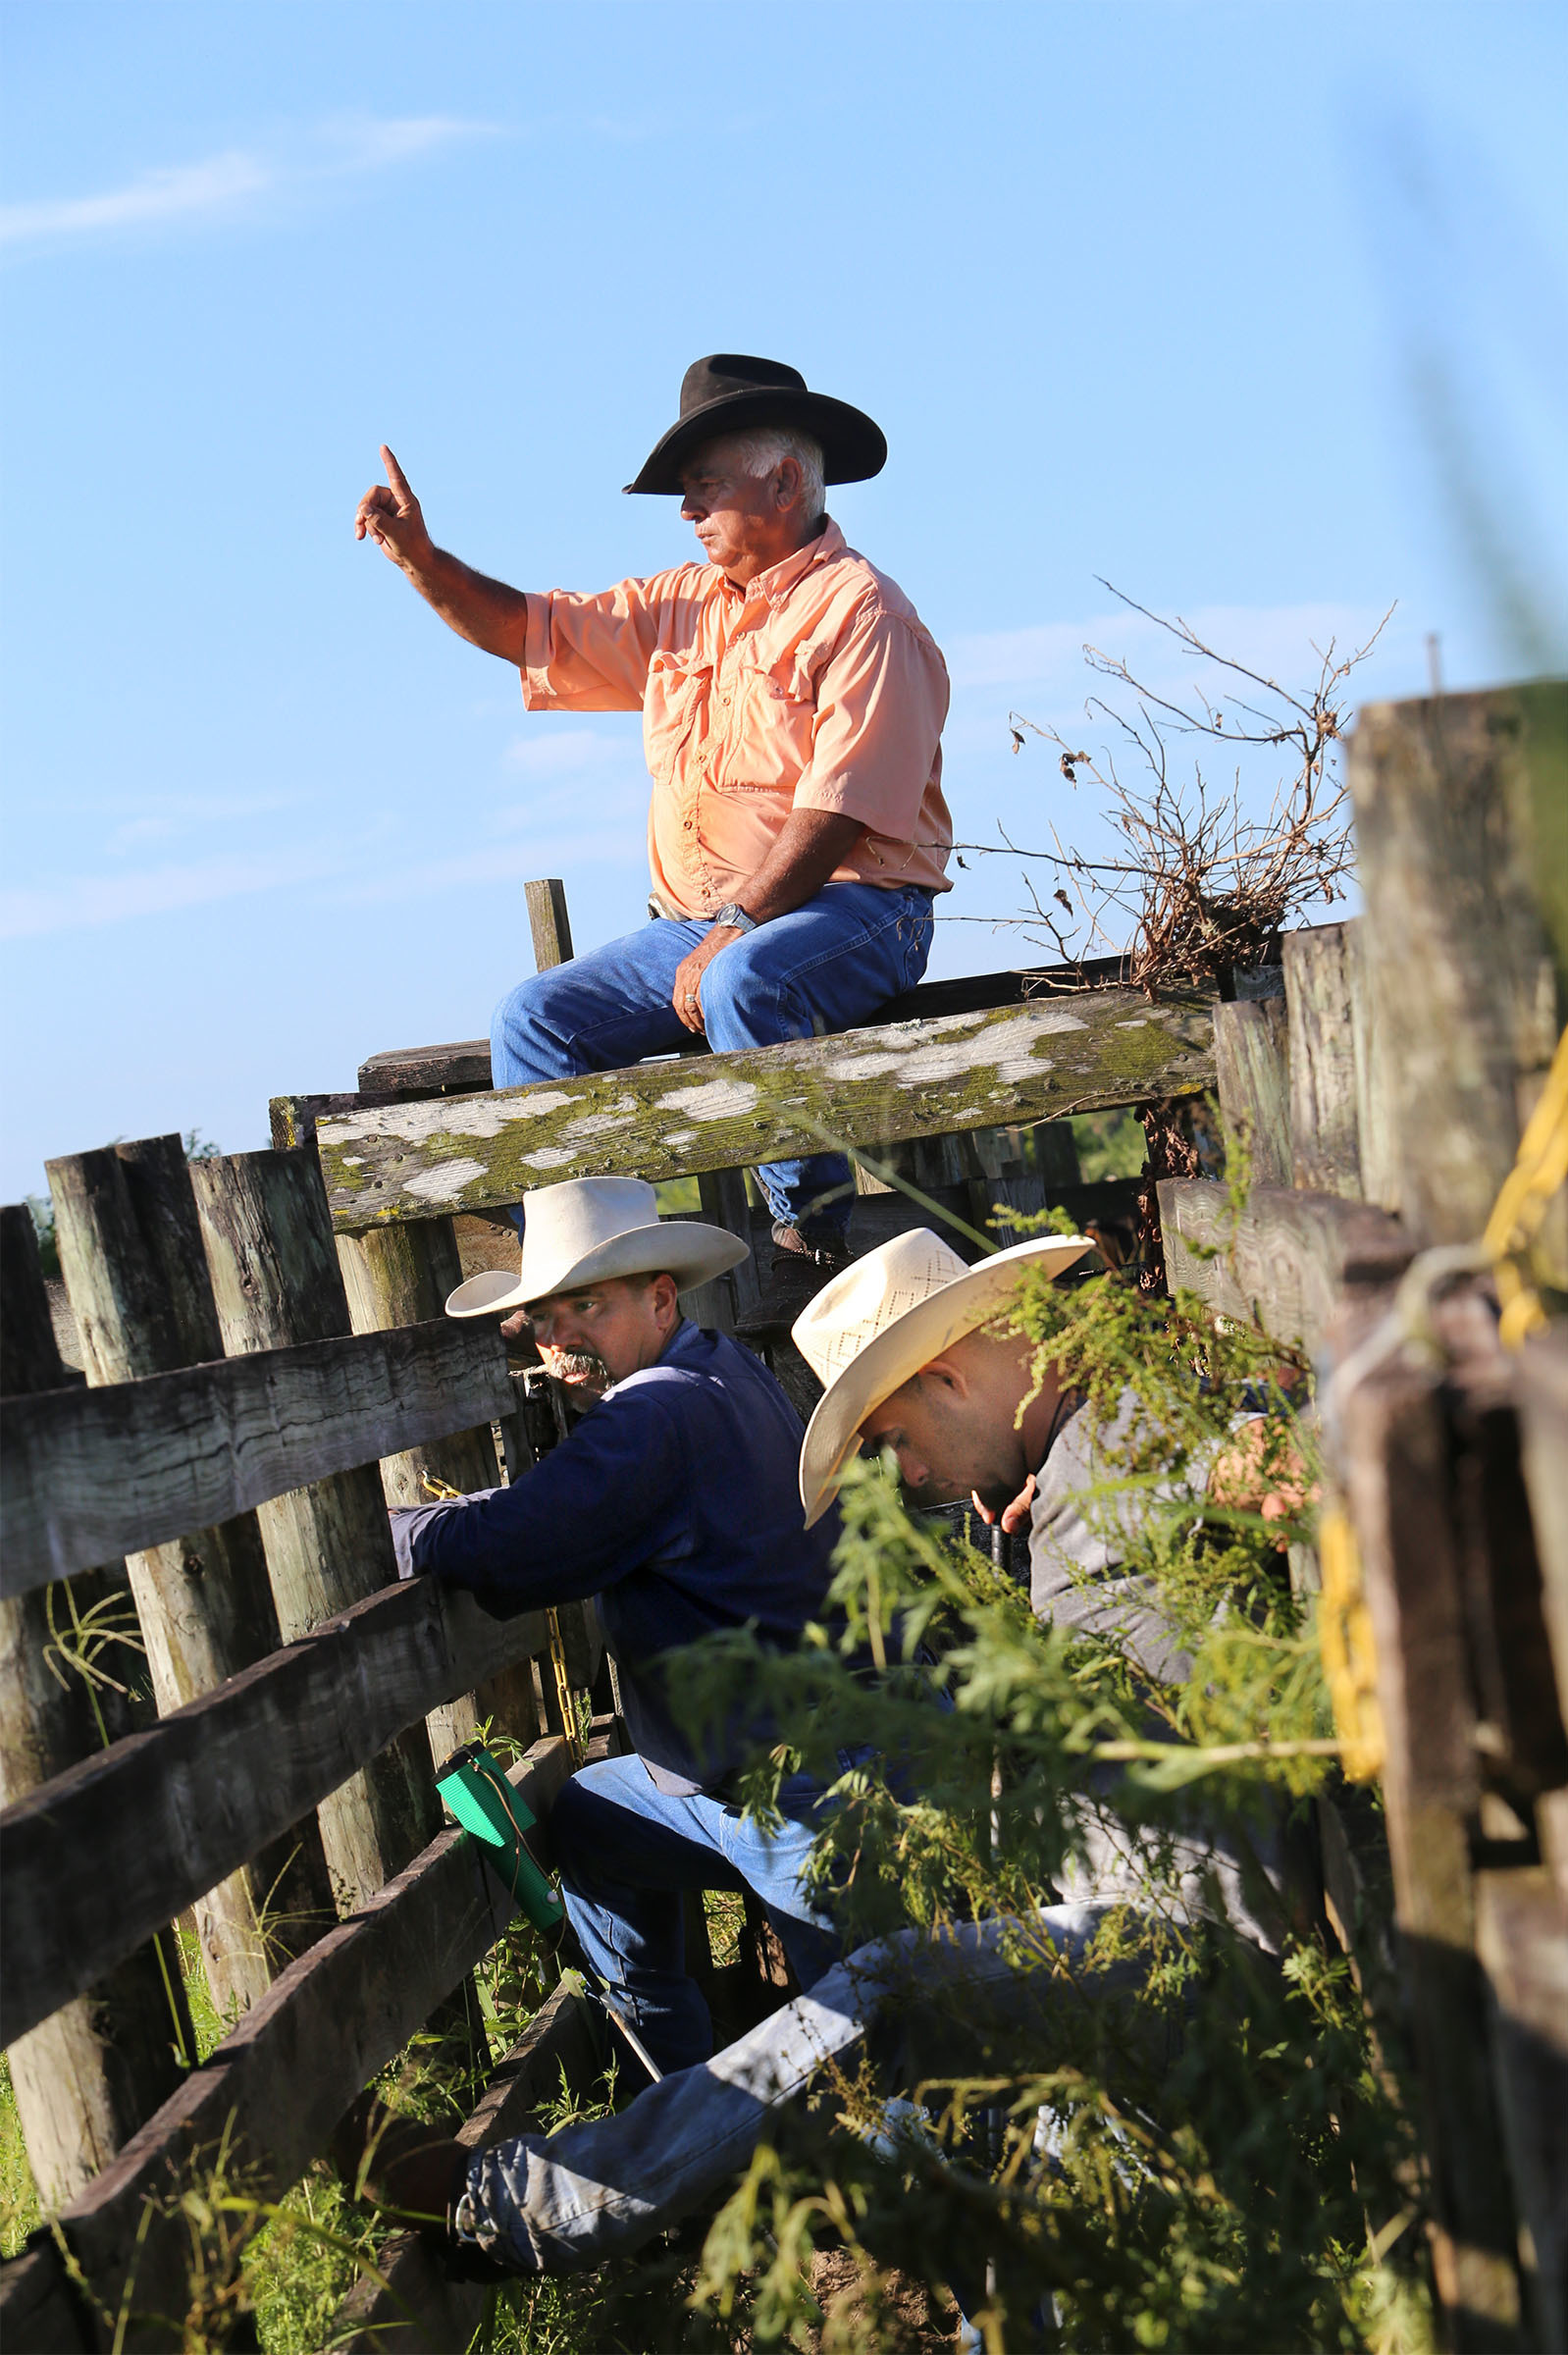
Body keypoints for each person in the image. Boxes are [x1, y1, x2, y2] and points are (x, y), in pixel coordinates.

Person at [354, 353, 953, 1292]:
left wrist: (736, 930)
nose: (686, 512)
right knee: (535, 1018)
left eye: (703, 487)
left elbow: (840, 813)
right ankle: (571, 1269)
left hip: (859, 908)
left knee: (746, 984)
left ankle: (814, 1234)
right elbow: (528, 629)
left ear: (785, 481)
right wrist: (423, 562)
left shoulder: (864, 612)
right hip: (706, 926)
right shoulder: (681, 608)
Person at [390, 1175, 846, 2083]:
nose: (561, 1339)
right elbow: (550, 1508)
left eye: (584, 1307)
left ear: (660, 1296)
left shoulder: (654, 1417)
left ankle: (734, 2146)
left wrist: (393, 1533)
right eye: (546, 1318)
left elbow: (511, 1543)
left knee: (881, 2048)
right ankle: (679, 2086)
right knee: (594, 1821)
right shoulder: (720, 1367)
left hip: (794, 1790)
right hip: (750, 1772)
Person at [792, 1228, 1310, 1947]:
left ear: (946, 1381)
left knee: (890, 1994)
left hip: (1195, 1952)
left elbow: (1272, 1462)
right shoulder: (1081, 1453)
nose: (908, 1476)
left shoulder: (1112, 1444)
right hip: (1156, 1930)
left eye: (896, 1441)